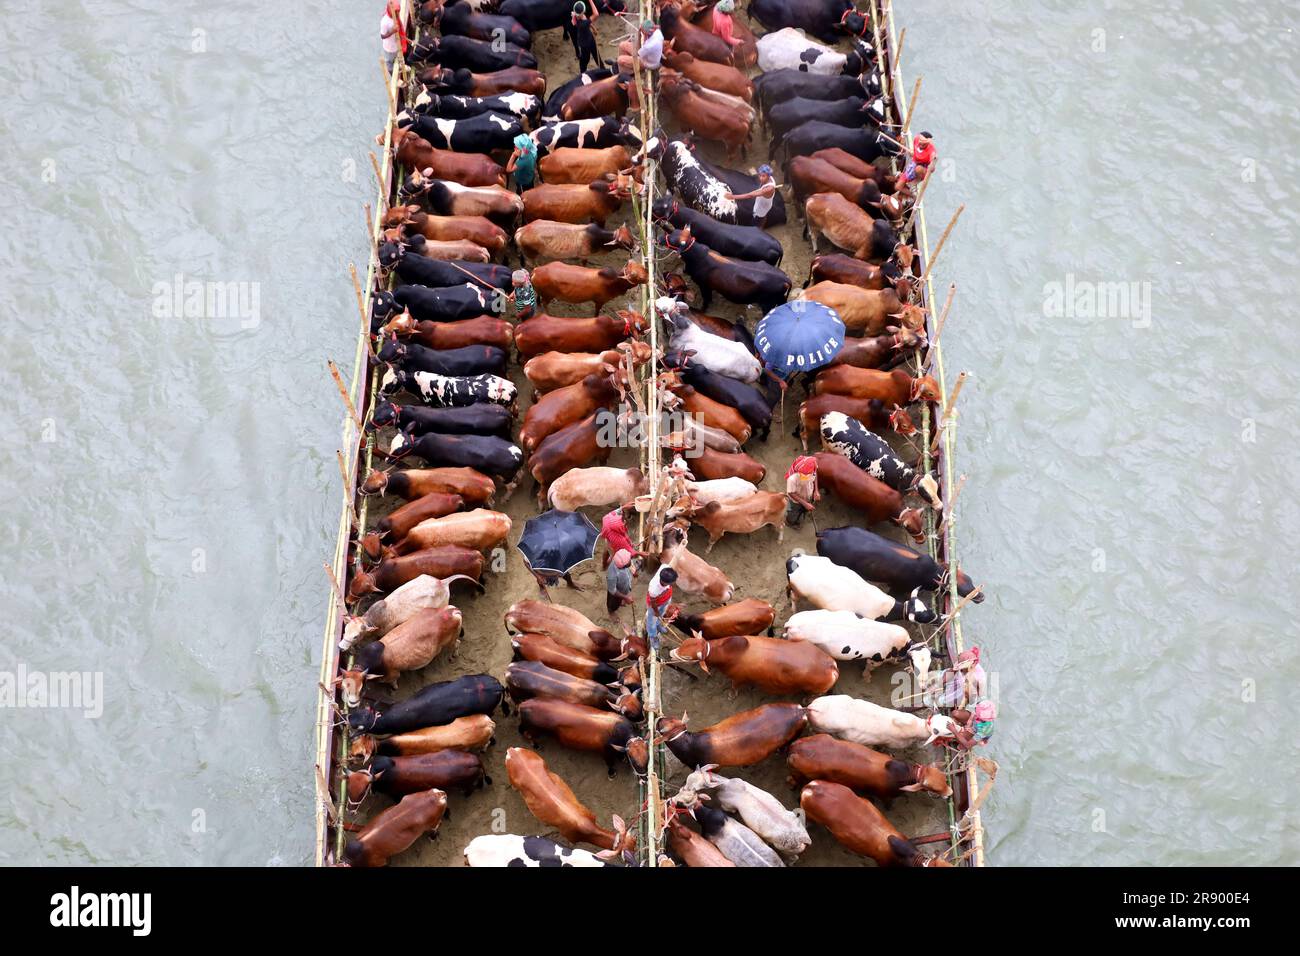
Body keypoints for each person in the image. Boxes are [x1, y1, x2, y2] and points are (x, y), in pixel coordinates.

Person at [645, 565, 678, 650]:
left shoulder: (665, 567)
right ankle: (653, 636)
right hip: (656, 605)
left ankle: (658, 625)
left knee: (662, 614)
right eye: (671, 582)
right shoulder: (654, 589)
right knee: (651, 621)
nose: (673, 583)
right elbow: (653, 602)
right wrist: (655, 611)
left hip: (665, 599)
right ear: (664, 582)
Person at [784, 454, 819, 527]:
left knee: (804, 509)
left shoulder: (812, 468)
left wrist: (816, 490)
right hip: (796, 501)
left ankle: (802, 512)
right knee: (793, 512)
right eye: (804, 475)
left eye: (809, 474)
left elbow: (815, 474)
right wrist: (805, 503)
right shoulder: (792, 479)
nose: (807, 477)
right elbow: (791, 493)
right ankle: (790, 522)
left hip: (808, 495)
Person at [570, 2, 605, 74]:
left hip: (589, 38)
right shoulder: (583, 24)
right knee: (585, 59)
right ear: (583, 11)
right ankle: (582, 72)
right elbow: (596, 14)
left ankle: (603, 69)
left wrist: (594, 29)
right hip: (584, 44)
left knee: (596, 55)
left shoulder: (578, 16)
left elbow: (587, 20)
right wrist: (591, 1)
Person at [606, 549, 634, 616]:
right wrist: (626, 597)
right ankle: (611, 612)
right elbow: (613, 591)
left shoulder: (623, 564)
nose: (630, 560)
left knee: (620, 599)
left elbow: (629, 568)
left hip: (623, 589)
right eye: (629, 560)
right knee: (613, 605)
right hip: (615, 595)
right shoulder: (612, 575)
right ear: (623, 565)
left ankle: (621, 601)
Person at [380, 4, 401, 73]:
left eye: (398, 11)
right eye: (396, 12)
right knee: (389, 63)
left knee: (397, 57)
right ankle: (393, 76)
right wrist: (392, 31)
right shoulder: (385, 22)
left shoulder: (394, 16)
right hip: (390, 48)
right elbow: (382, 36)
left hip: (396, 44)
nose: (398, 13)